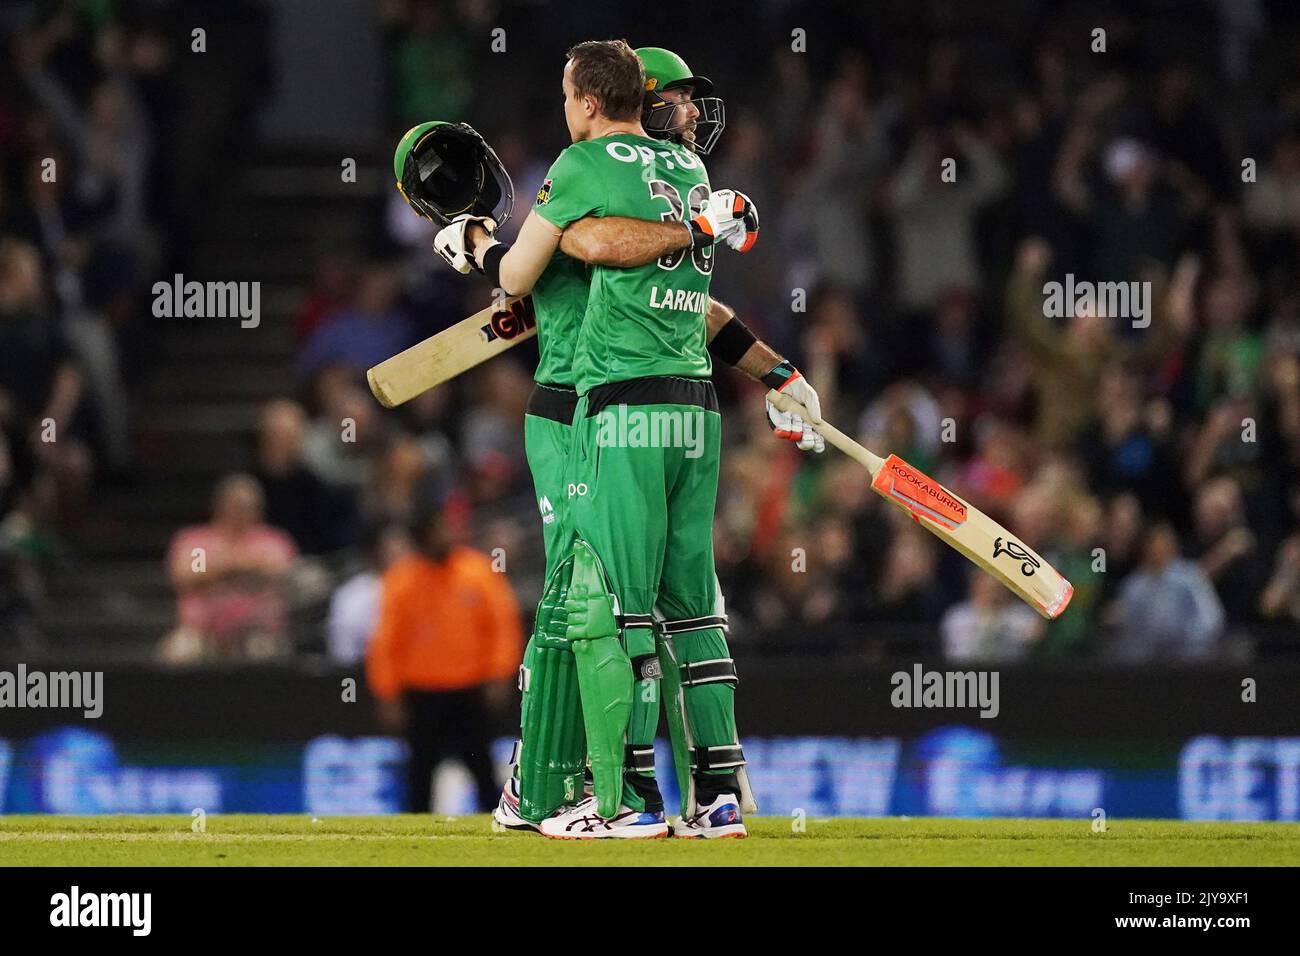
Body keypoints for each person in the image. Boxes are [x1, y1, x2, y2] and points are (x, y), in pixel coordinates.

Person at [401, 44, 824, 837]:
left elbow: (595, 266)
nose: (695, 116)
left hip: (607, 406)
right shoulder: (676, 187)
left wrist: (482, 252)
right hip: (619, 410)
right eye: (684, 101)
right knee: (629, 606)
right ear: (645, 99)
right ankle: (596, 786)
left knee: (596, 605)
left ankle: (591, 791)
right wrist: (775, 372)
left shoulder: (621, 179)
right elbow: (628, 275)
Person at [365, 499, 524, 814]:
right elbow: (386, 641)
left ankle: (495, 820)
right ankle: (415, 834)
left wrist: (500, 673)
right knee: (420, 771)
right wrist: (387, 692)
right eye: (438, 531)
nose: (446, 536)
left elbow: (502, 626)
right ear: (421, 536)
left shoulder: (477, 571)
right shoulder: (402, 580)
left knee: (480, 767)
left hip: (469, 689)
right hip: (421, 693)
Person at [161, 474, 298, 661]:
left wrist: (225, 569)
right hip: (202, 632)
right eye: (236, 506)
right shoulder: (197, 543)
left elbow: (280, 572)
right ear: (220, 505)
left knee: (266, 652)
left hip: (259, 632)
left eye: (249, 507)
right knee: (181, 650)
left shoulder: (271, 541)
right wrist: (241, 568)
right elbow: (189, 575)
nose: (242, 513)